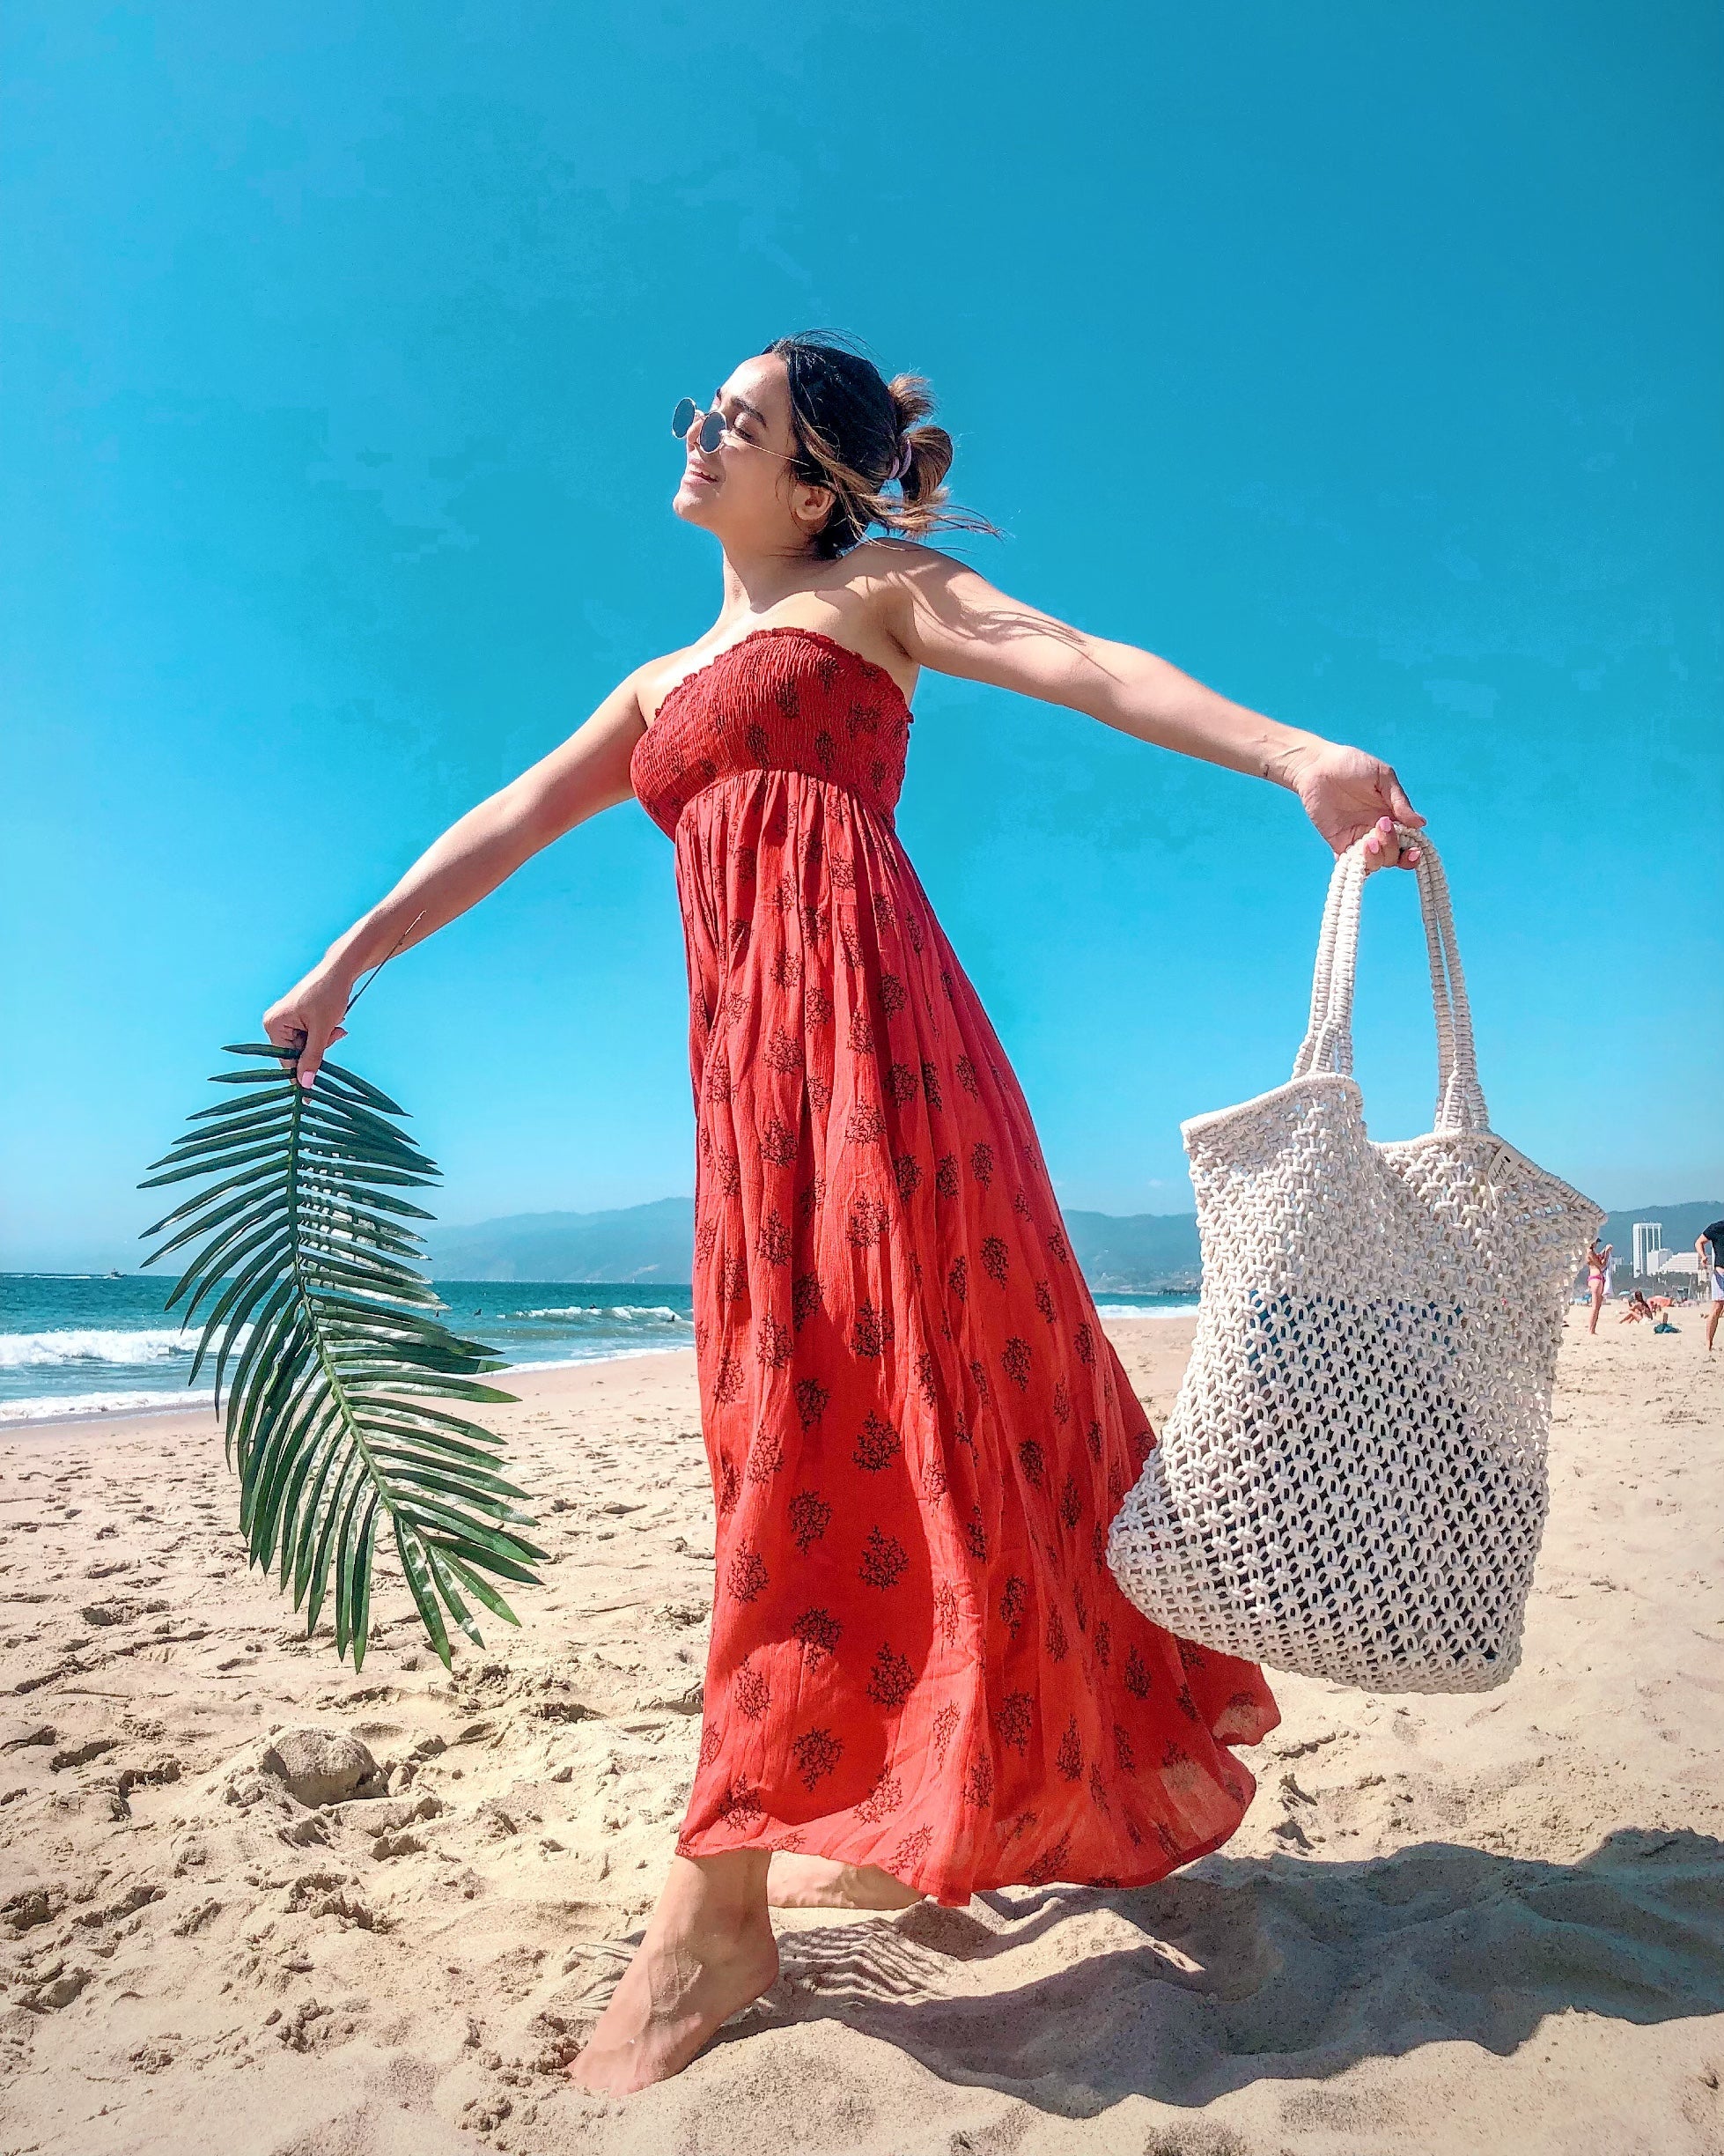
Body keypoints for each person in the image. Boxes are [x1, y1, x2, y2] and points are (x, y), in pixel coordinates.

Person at [262, 333, 1427, 2095]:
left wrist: (1294, 756)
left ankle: (714, 1908)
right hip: (749, 1093)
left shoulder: (874, 593)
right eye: (697, 410)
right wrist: (346, 963)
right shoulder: (659, 685)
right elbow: (506, 820)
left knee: (865, 1429)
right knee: (799, 1436)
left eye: (733, 421)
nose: (696, 434)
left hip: (882, 1060)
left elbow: (1084, 661)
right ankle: (884, 1803)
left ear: (815, 482)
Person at [1698, 1219, 1724, 1352]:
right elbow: (1699, 1242)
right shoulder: (1717, 1228)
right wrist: (1703, 1256)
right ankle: (1709, 1343)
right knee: (1717, 1308)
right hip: (1721, 1273)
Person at [1585, 1237, 1614, 1334]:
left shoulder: (1591, 1252)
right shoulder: (1590, 1252)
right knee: (1595, 1306)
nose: (1597, 1244)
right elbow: (1601, 1265)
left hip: (1596, 1278)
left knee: (1597, 1306)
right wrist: (1607, 1253)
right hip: (1596, 1278)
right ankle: (1590, 1330)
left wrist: (1604, 1252)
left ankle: (1593, 1329)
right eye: (1596, 1242)